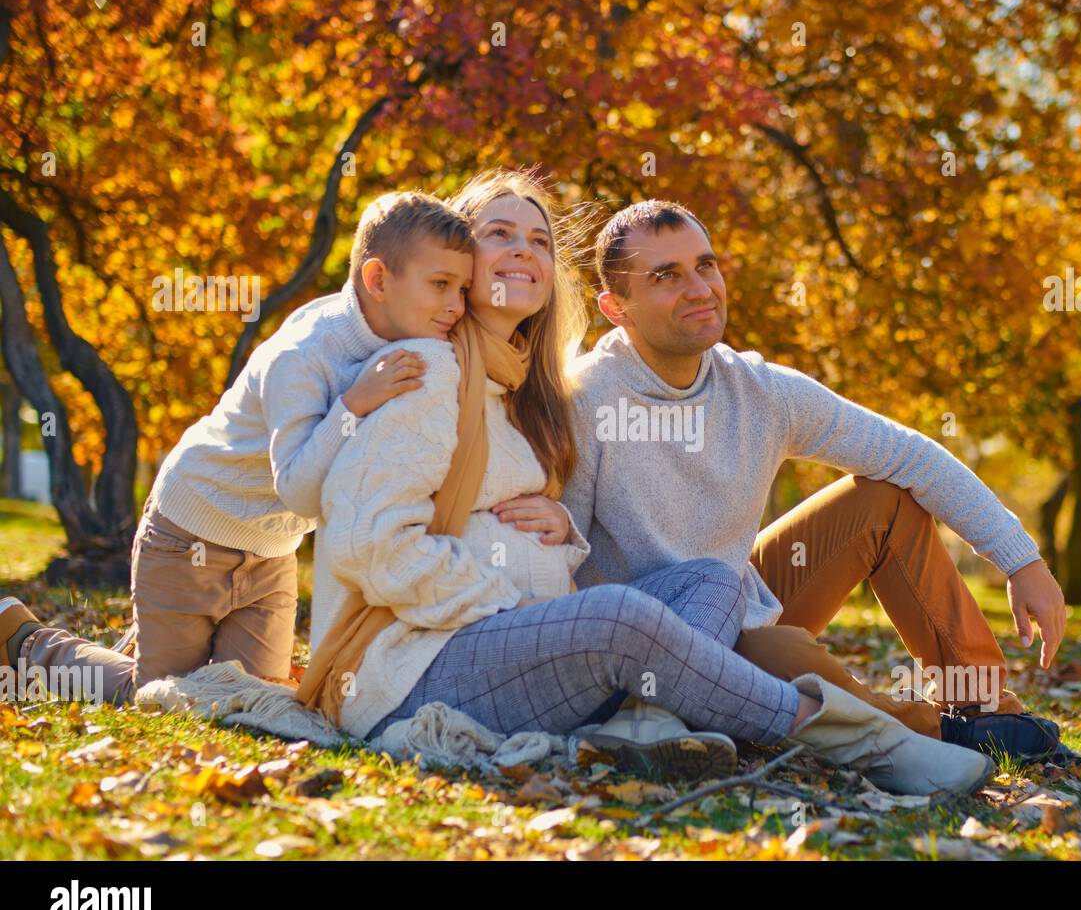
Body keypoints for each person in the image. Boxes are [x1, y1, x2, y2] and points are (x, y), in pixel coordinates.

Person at [299, 169, 998, 793]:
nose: (523, 250)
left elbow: (537, 535)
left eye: (540, 240)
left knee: (713, 578)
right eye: (498, 234)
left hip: (522, 652)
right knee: (625, 618)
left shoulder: (522, 393)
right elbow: (371, 547)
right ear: (456, 257)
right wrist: (507, 607)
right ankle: (867, 740)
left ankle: (648, 720)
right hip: (412, 668)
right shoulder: (427, 375)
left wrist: (561, 531)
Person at [562, 199, 1081, 772]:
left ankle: (987, 711)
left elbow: (912, 456)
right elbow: (558, 562)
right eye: (666, 277)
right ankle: (941, 734)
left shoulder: (761, 391)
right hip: (640, 643)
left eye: (706, 265)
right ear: (615, 307)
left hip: (736, 599)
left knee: (883, 500)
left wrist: (1022, 561)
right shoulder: (583, 398)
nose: (700, 288)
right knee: (782, 654)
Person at [2, 192, 482, 701]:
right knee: (169, 698)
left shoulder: (407, 343)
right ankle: (31, 644)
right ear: (378, 280)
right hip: (192, 533)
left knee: (246, 700)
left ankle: (154, 639)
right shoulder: (303, 356)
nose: (457, 305)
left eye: (464, 288)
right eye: (441, 285)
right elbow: (298, 488)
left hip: (271, 557)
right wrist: (353, 405)